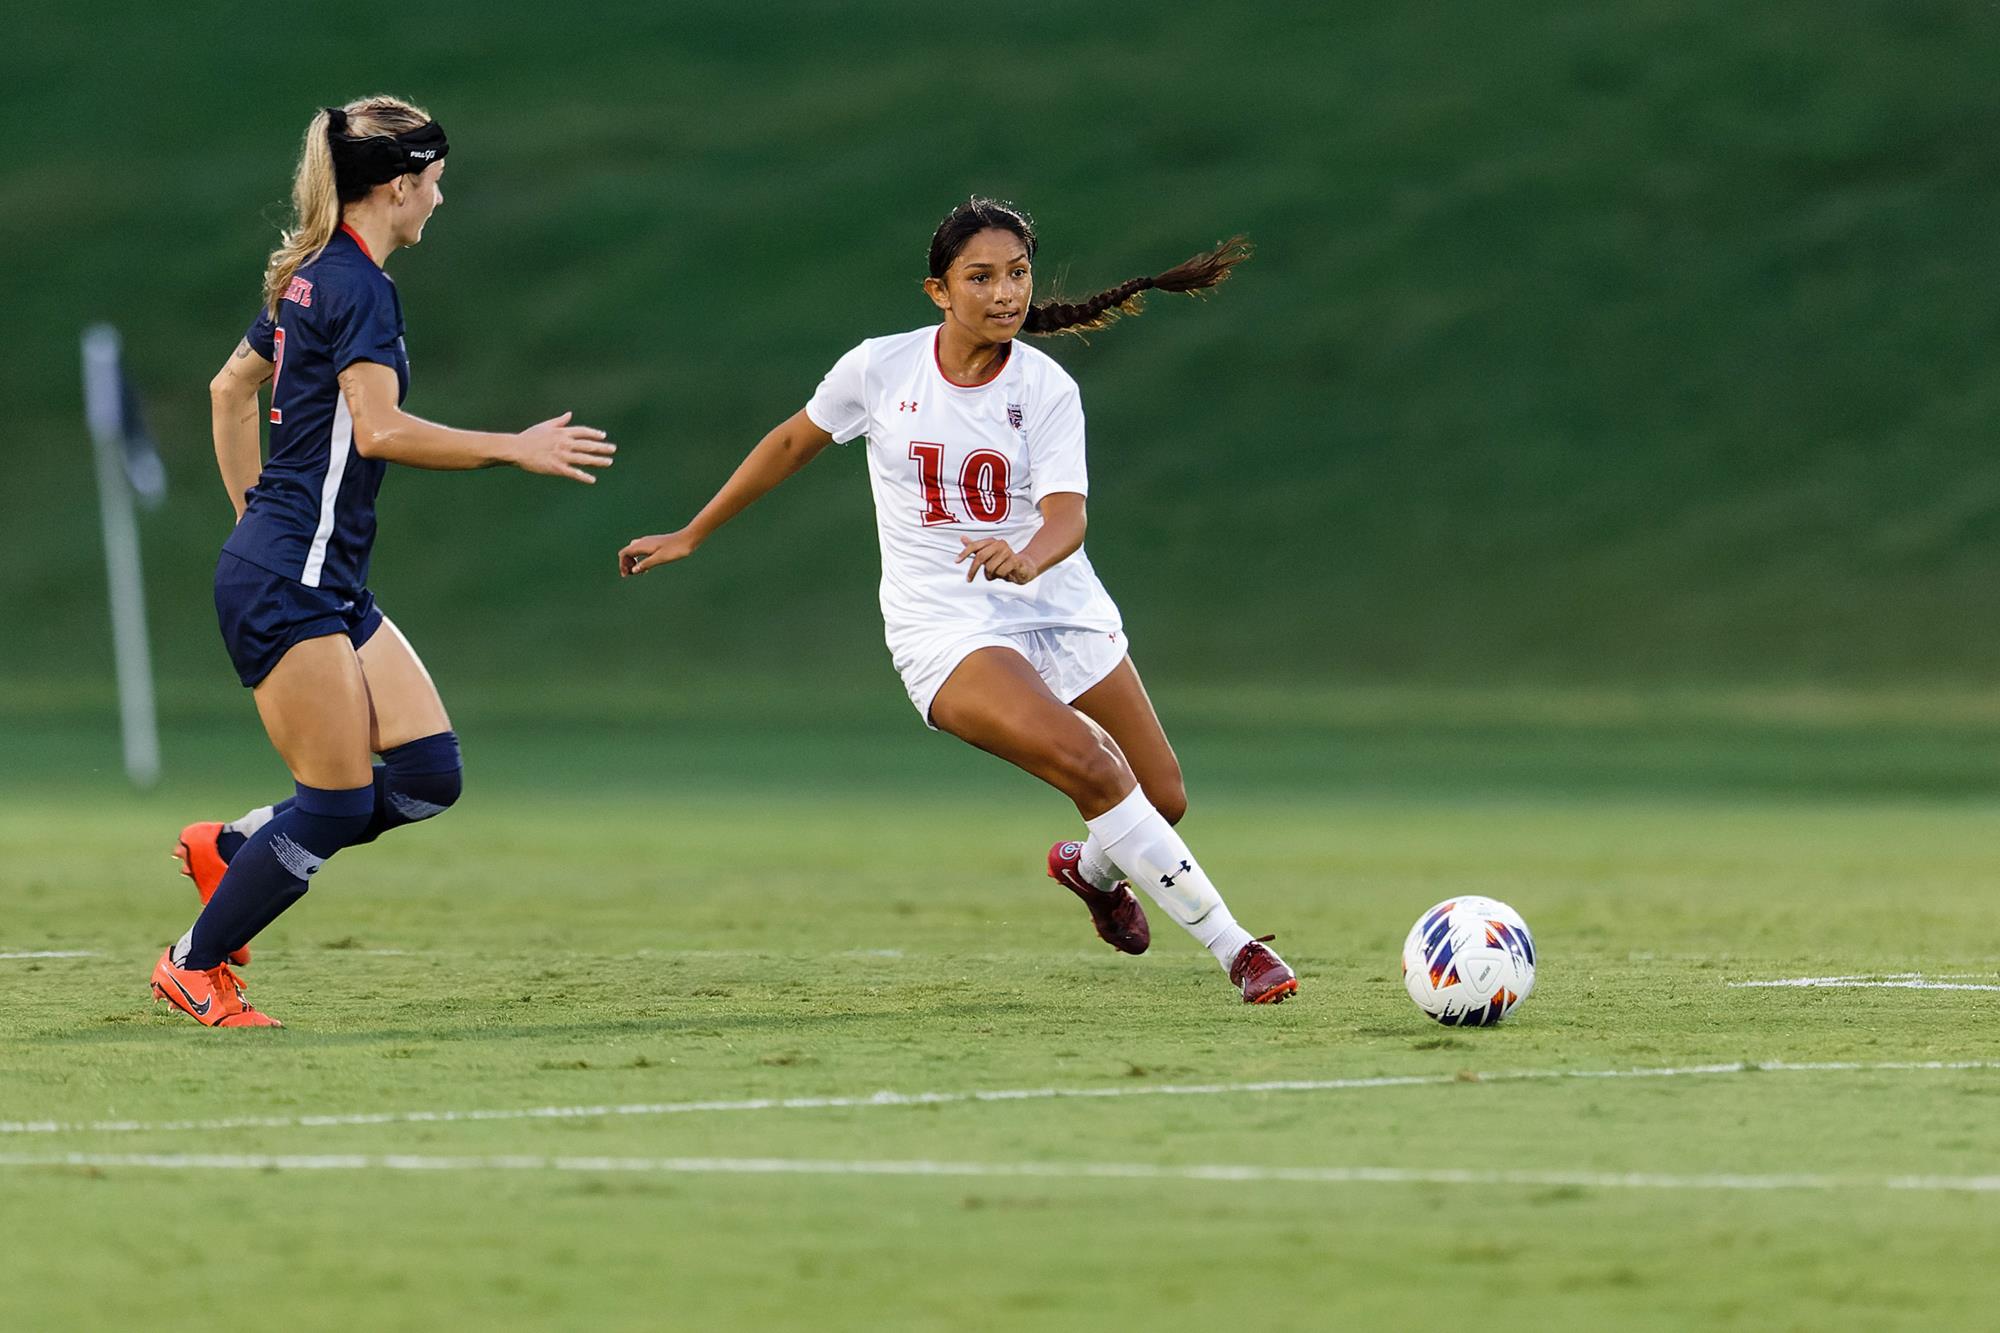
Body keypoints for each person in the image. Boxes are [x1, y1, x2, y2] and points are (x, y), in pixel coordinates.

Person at [618, 197, 1295, 1004]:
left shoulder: (1045, 386)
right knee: (1091, 767)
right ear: (939, 291)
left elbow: (1068, 516)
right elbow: (794, 439)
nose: (1005, 292)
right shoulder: (880, 367)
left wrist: (1026, 557)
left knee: (1163, 799)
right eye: (981, 277)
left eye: (1018, 274)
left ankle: (1087, 869)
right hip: (942, 622)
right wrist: (695, 531)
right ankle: (1239, 949)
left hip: (1055, 602)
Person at [156, 96, 616, 1027]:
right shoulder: (358, 285)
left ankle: (237, 846)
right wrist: (513, 446)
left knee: (426, 774)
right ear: (398, 186)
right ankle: (192, 964)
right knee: (330, 807)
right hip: (292, 579)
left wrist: (257, 513)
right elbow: (381, 429)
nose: (439, 202)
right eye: (435, 185)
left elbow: (227, 389)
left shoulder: (312, 275)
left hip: (313, 573)